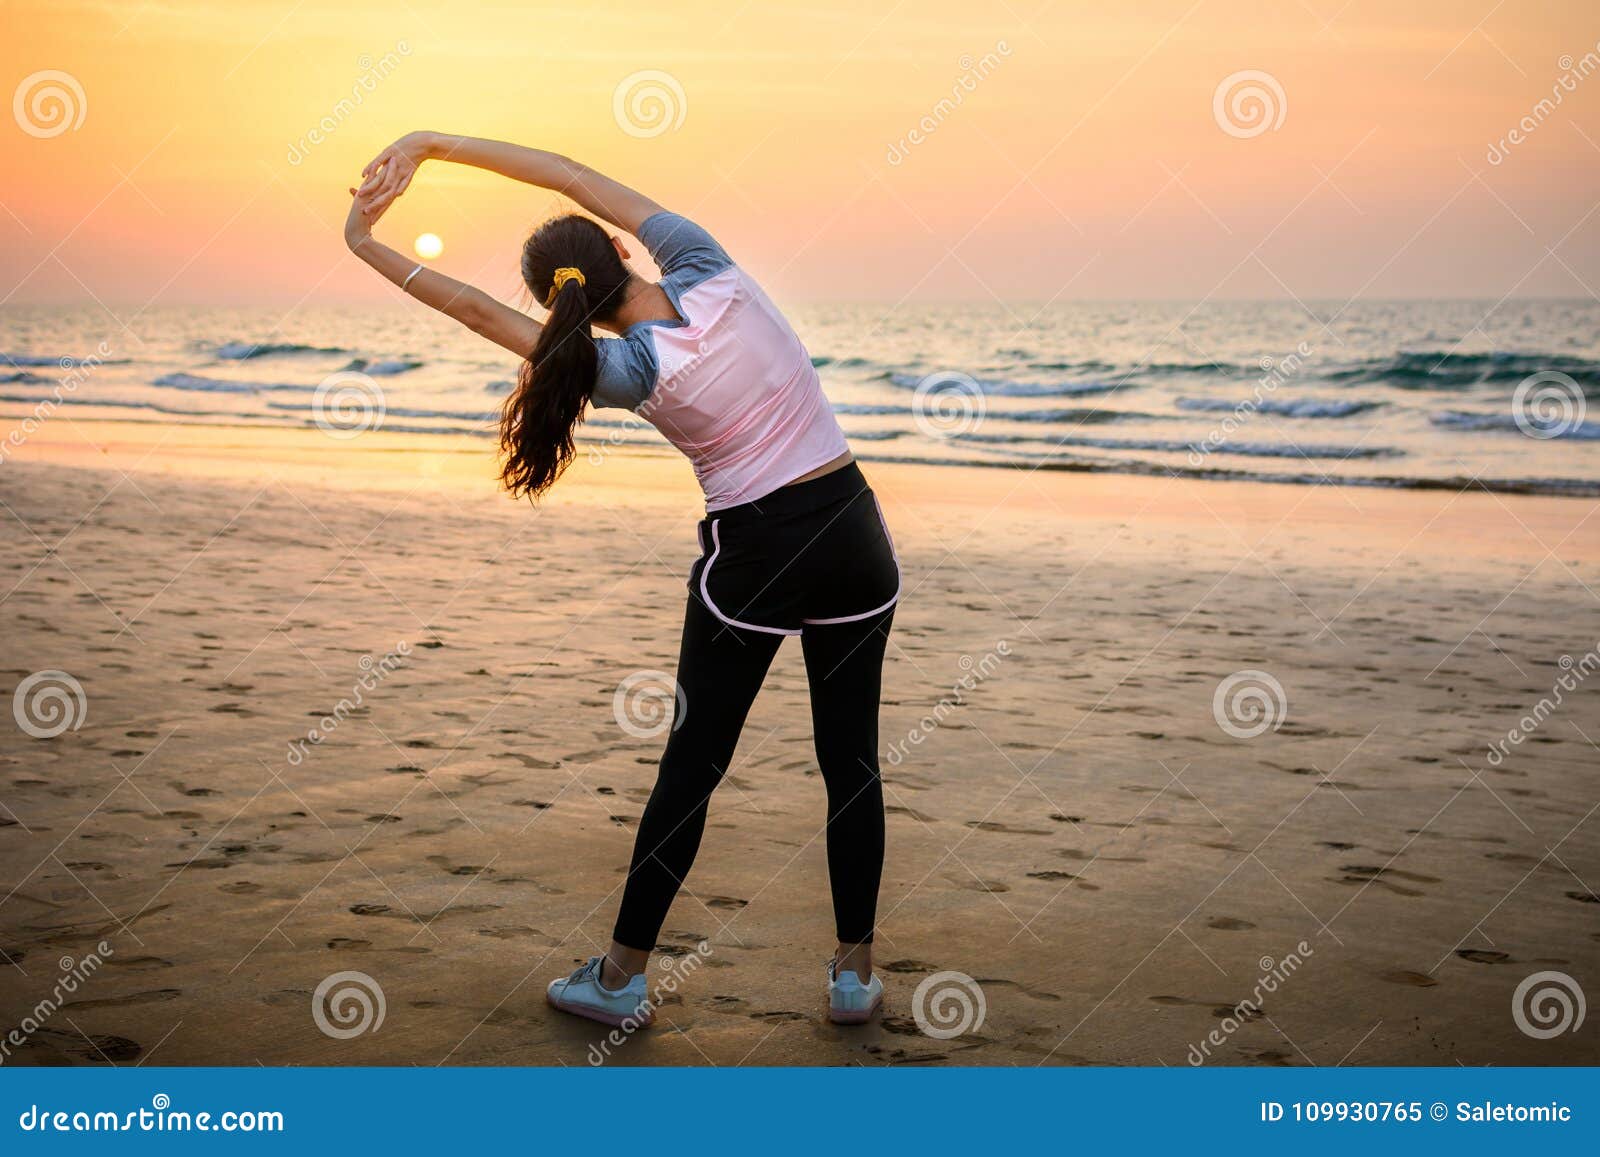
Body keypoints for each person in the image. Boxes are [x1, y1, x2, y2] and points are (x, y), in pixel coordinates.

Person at [346, 132, 899, 1027]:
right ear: (621, 249)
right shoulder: (704, 261)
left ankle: (621, 980)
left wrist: (364, 243)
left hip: (755, 555)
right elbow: (569, 174)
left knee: (693, 767)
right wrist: (429, 143)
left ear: (573, 313)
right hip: (852, 532)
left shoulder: (624, 369)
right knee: (853, 762)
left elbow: (483, 316)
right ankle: (852, 977)